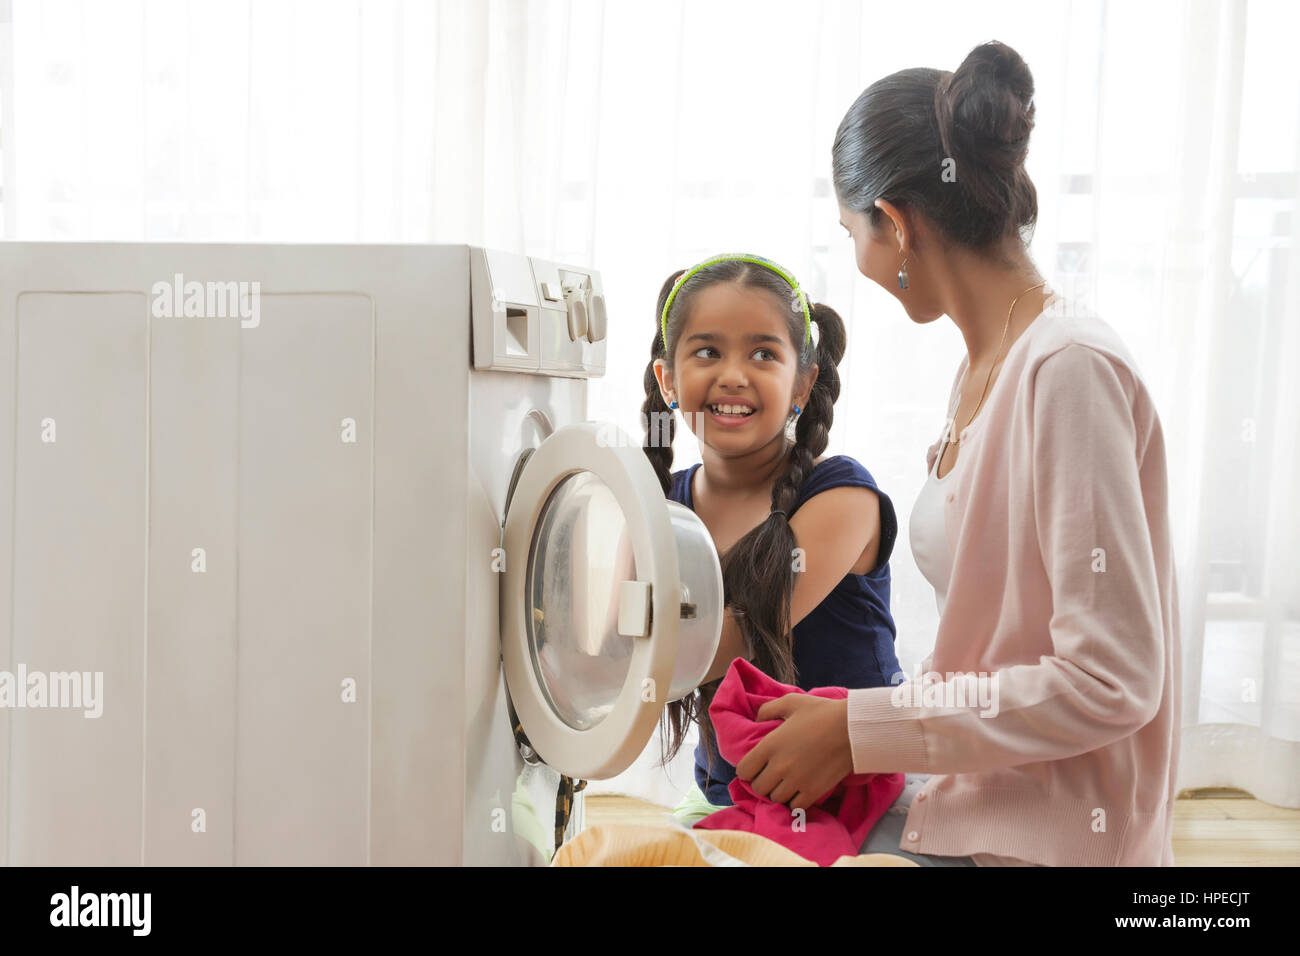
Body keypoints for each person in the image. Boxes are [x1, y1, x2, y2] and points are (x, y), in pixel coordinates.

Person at [733, 40, 1182, 867]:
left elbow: (1109, 682)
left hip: (1048, 843)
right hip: (973, 812)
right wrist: (857, 720)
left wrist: (865, 732)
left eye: (853, 233)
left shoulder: (1068, 369)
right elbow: (996, 648)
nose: (858, 264)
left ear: (897, 225)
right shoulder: (987, 364)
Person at [639, 253, 905, 823]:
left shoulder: (842, 496)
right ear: (668, 379)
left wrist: (610, 659)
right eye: (707, 351)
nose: (733, 374)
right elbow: (621, 636)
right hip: (728, 796)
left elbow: (726, 640)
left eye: (763, 353)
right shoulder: (663, 507)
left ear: (804, 382)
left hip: (853, 795)